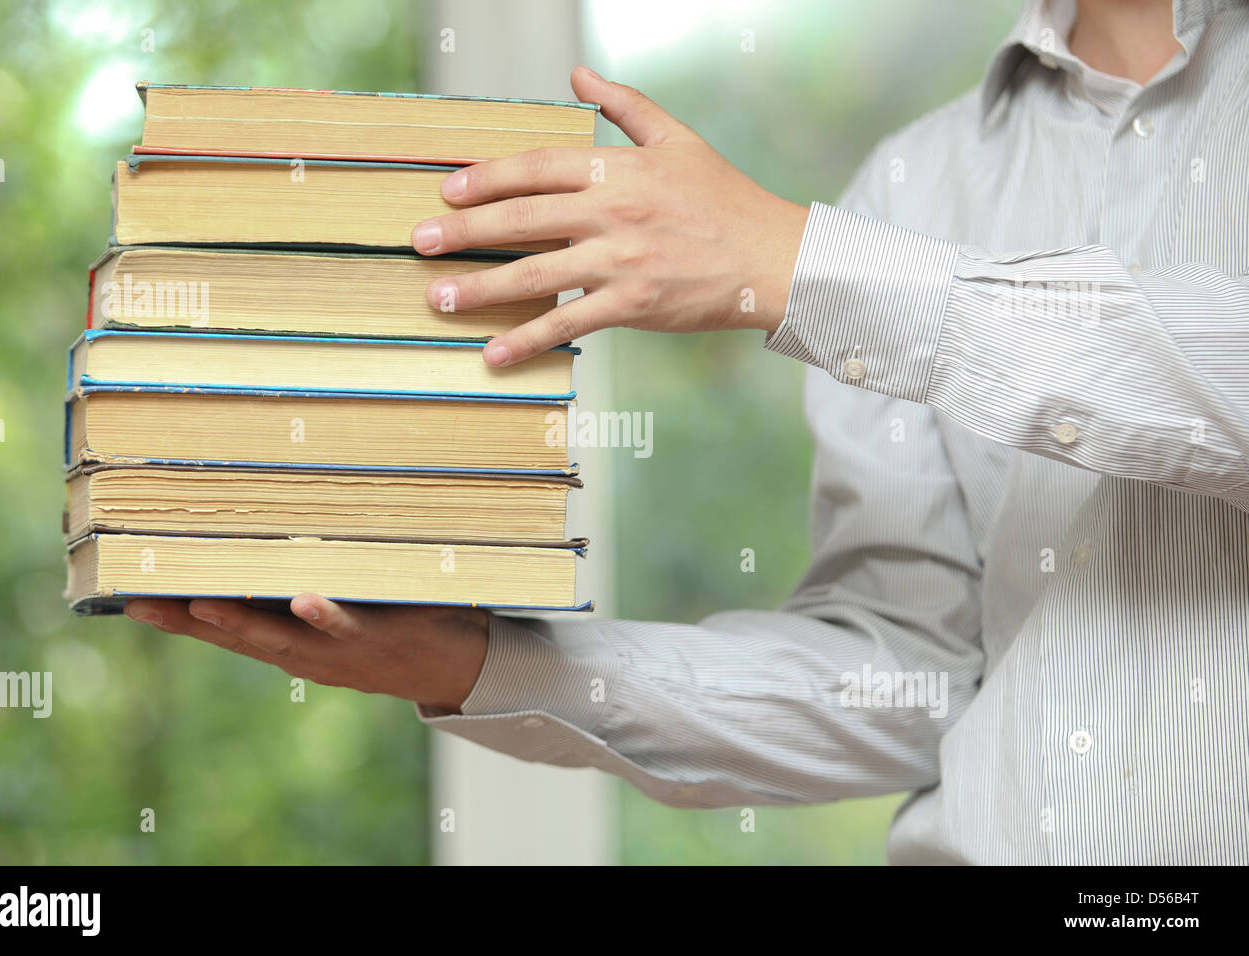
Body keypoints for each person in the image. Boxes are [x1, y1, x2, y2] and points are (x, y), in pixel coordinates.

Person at [124, 0, 1249, 863]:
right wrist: (484, 663)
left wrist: (795, 264)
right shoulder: (915, 186)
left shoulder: (854, 249)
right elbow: (913, 677)